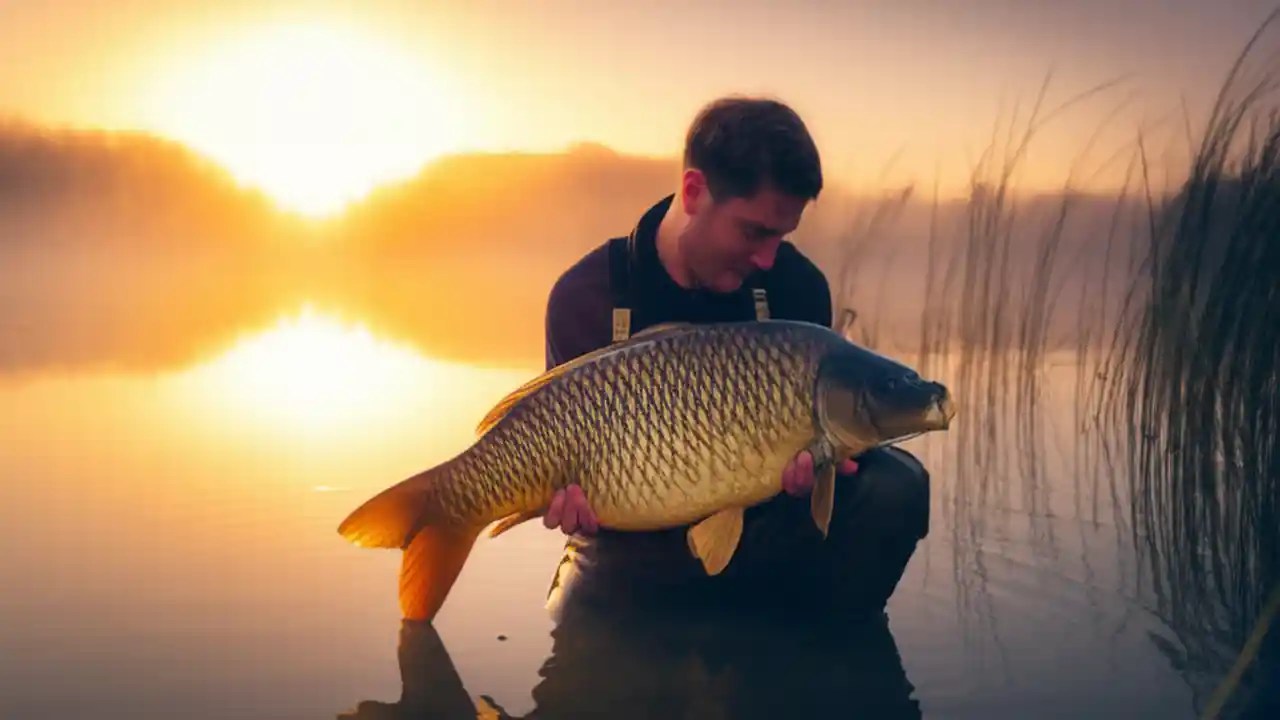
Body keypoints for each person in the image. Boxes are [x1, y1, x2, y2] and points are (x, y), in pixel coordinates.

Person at [539, 95, 930, 619]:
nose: (768, 258)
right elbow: (557, 460)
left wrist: (820, 470)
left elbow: (822, 452)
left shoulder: (798, 287)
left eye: (782, 236)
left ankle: (829, 641)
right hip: (624, 548)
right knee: (584, 642)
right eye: (754, 231)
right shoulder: (586, 295)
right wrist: (565, 501)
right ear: (694, 192)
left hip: (764, 528)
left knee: (894, 487)